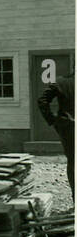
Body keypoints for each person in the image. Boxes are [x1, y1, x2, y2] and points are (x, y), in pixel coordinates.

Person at [37, 63, 74, 198]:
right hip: (69, 127)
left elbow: (42, 100)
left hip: (69, 127)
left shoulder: (61, 82)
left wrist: (53, 120)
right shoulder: (60, 82)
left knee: (73, 162)